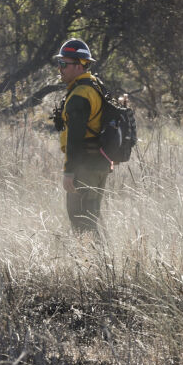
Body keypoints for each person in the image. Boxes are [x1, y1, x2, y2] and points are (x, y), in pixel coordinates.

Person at [51, 38, 110, 233]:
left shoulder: (80, 95)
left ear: (79, 65)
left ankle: (94, 262)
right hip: (99, 164)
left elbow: (74, 139)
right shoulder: (95, 86)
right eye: (59, 63)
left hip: (84, 167)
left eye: (63, 64)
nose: (60, 68)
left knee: (81, 222)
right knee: (91, 220)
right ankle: (103, 261)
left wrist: (69, 172)